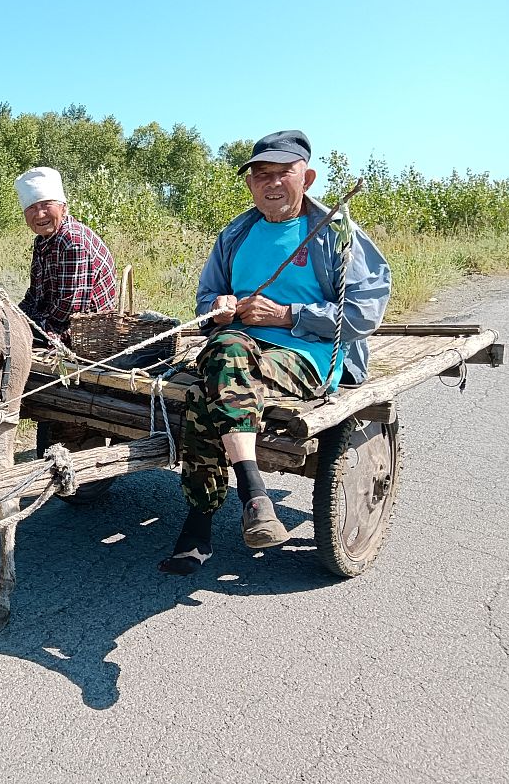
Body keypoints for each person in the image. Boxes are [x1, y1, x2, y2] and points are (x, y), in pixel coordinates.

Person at [159, 130, 392, 575]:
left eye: (282, 172)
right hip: (236, 350)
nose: (271, 182)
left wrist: (288, 315)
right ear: (250, 184)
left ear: (307, 177)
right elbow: (207, 297)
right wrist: (219, 308)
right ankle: (255, 501)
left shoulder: (334, 233)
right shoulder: (236, 233)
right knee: (216, 367)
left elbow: (364, 312)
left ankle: (203, 519)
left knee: (215, 370)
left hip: (309, 356)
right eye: (260, 174)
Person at [15, 166, 118, 345]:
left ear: (63, 208)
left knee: (9, 339)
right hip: (57, 320)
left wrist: (28, 324)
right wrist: (14, 314)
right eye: (32, 207)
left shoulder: (72, 241)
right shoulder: (42, 241)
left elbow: (70, 309)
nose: (39, 214)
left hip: (86, 331)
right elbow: (35, 296)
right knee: (4, 325)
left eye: (46, 204)